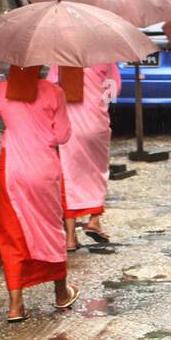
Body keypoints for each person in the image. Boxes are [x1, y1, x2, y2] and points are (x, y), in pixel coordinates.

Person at [0, 64, 79, 320]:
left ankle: (15, 305)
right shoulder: (55, 92)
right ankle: (61, 293)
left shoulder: (1, 91)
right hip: (45, 169)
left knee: (13, 234)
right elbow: (63, 135)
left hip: (13, 172)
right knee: (52, 228)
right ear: (40, 65)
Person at [47, 63, 120, 249]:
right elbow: (113, 91)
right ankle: (94, 220)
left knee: (70, 177)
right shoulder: (105, 57)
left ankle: (70, 238)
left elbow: (50, 89)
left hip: (70, 123)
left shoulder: (61, 60)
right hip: (96, 123)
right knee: (98, 171)